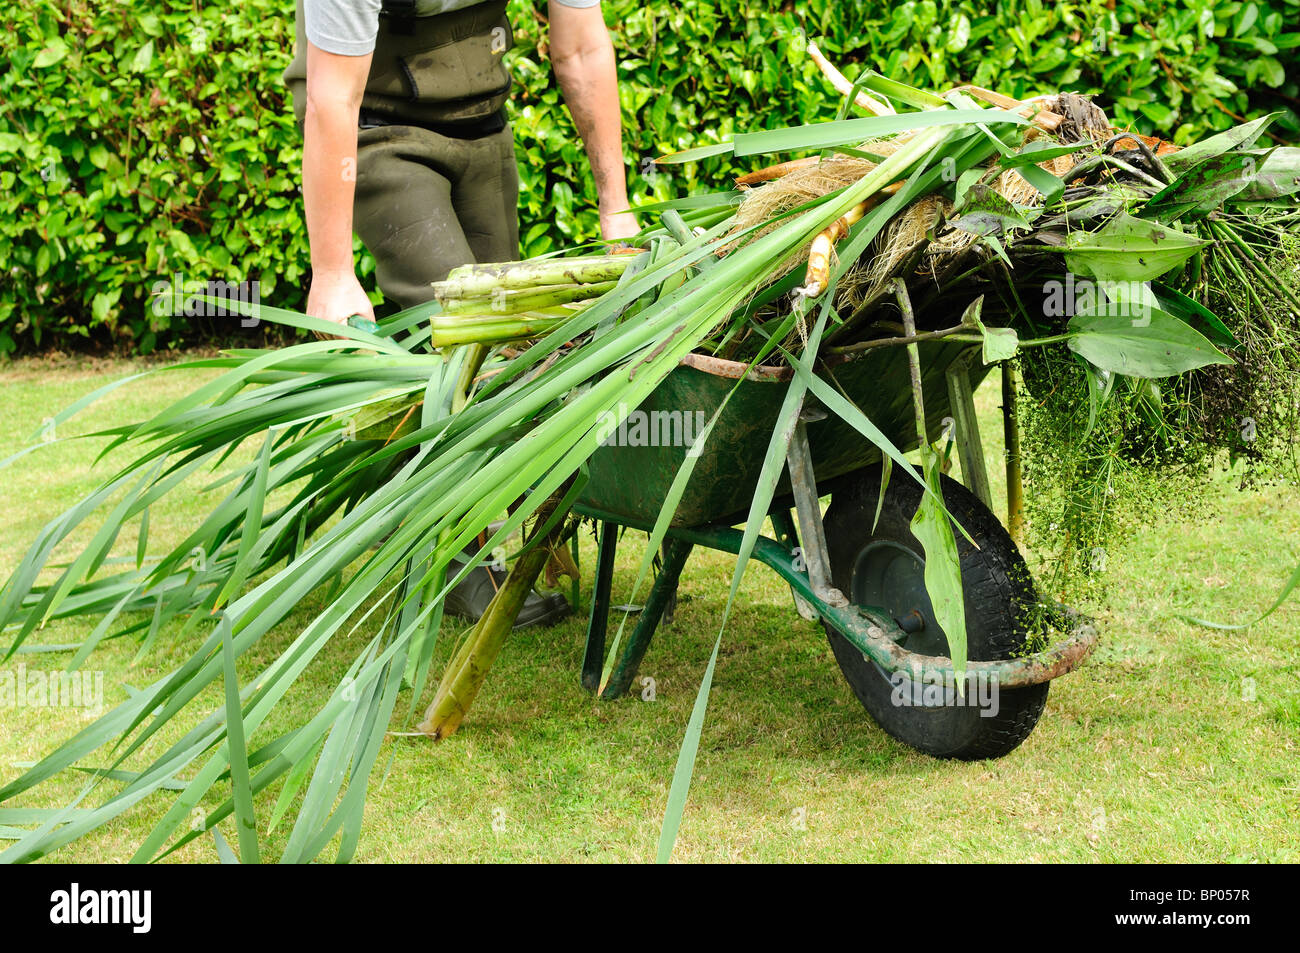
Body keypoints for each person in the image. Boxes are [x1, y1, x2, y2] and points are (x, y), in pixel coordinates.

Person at [284, 0, 637, 624]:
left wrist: (616, 208)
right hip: (377, 128)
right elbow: (331, 100)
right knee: (454, 328)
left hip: (481, 122)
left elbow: (580, 43)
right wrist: (333, 275)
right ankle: (450, 562)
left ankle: (404, 518)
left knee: (510, 341)